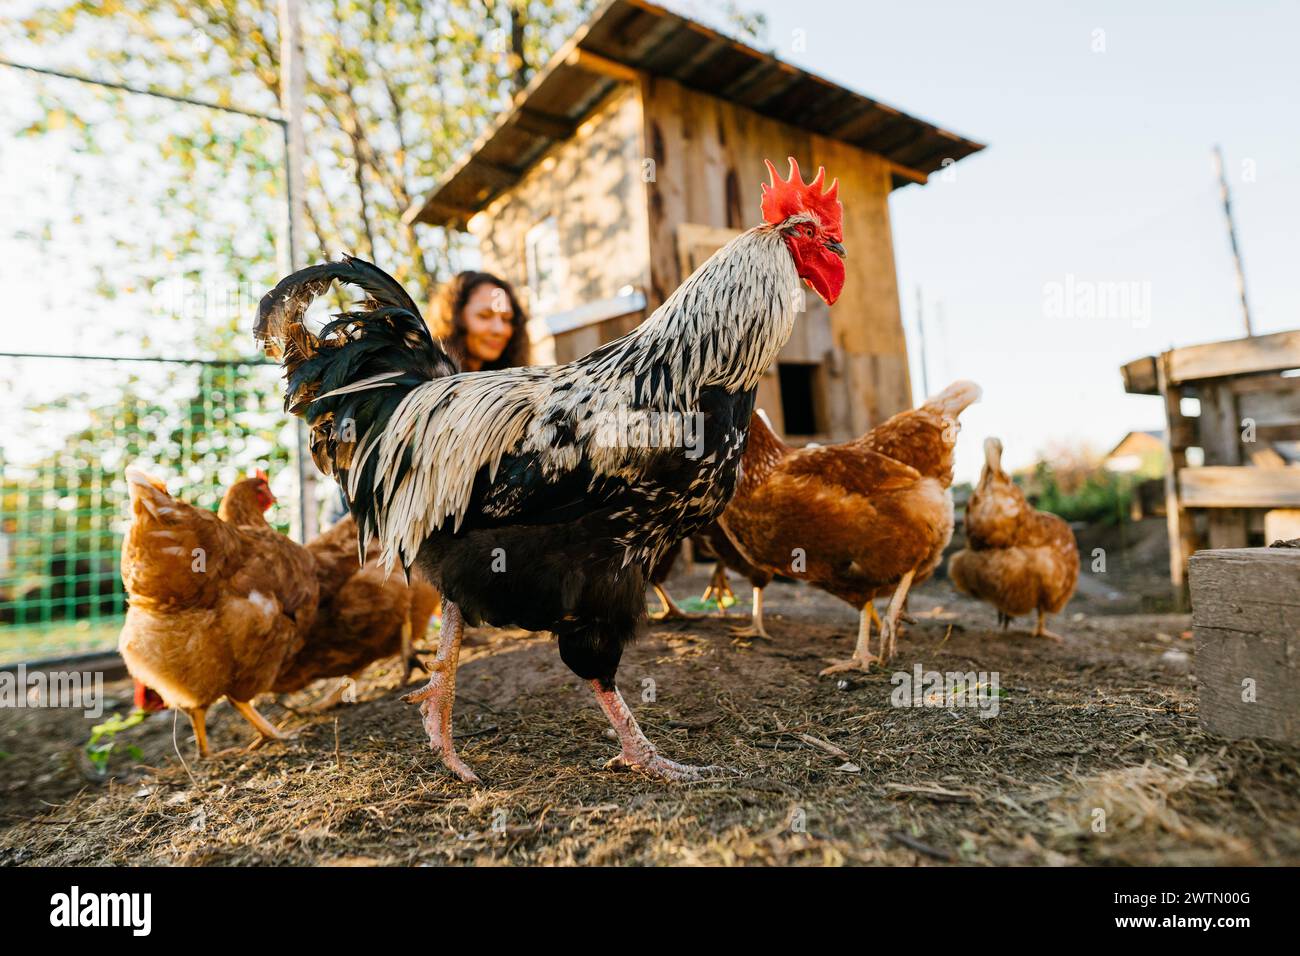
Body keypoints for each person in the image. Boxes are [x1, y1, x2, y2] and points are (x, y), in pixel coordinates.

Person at [430, 271, 531, 372]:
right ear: (455, 318)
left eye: (506, 319)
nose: (499, 329)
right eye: (484, 316)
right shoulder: (427, 375)